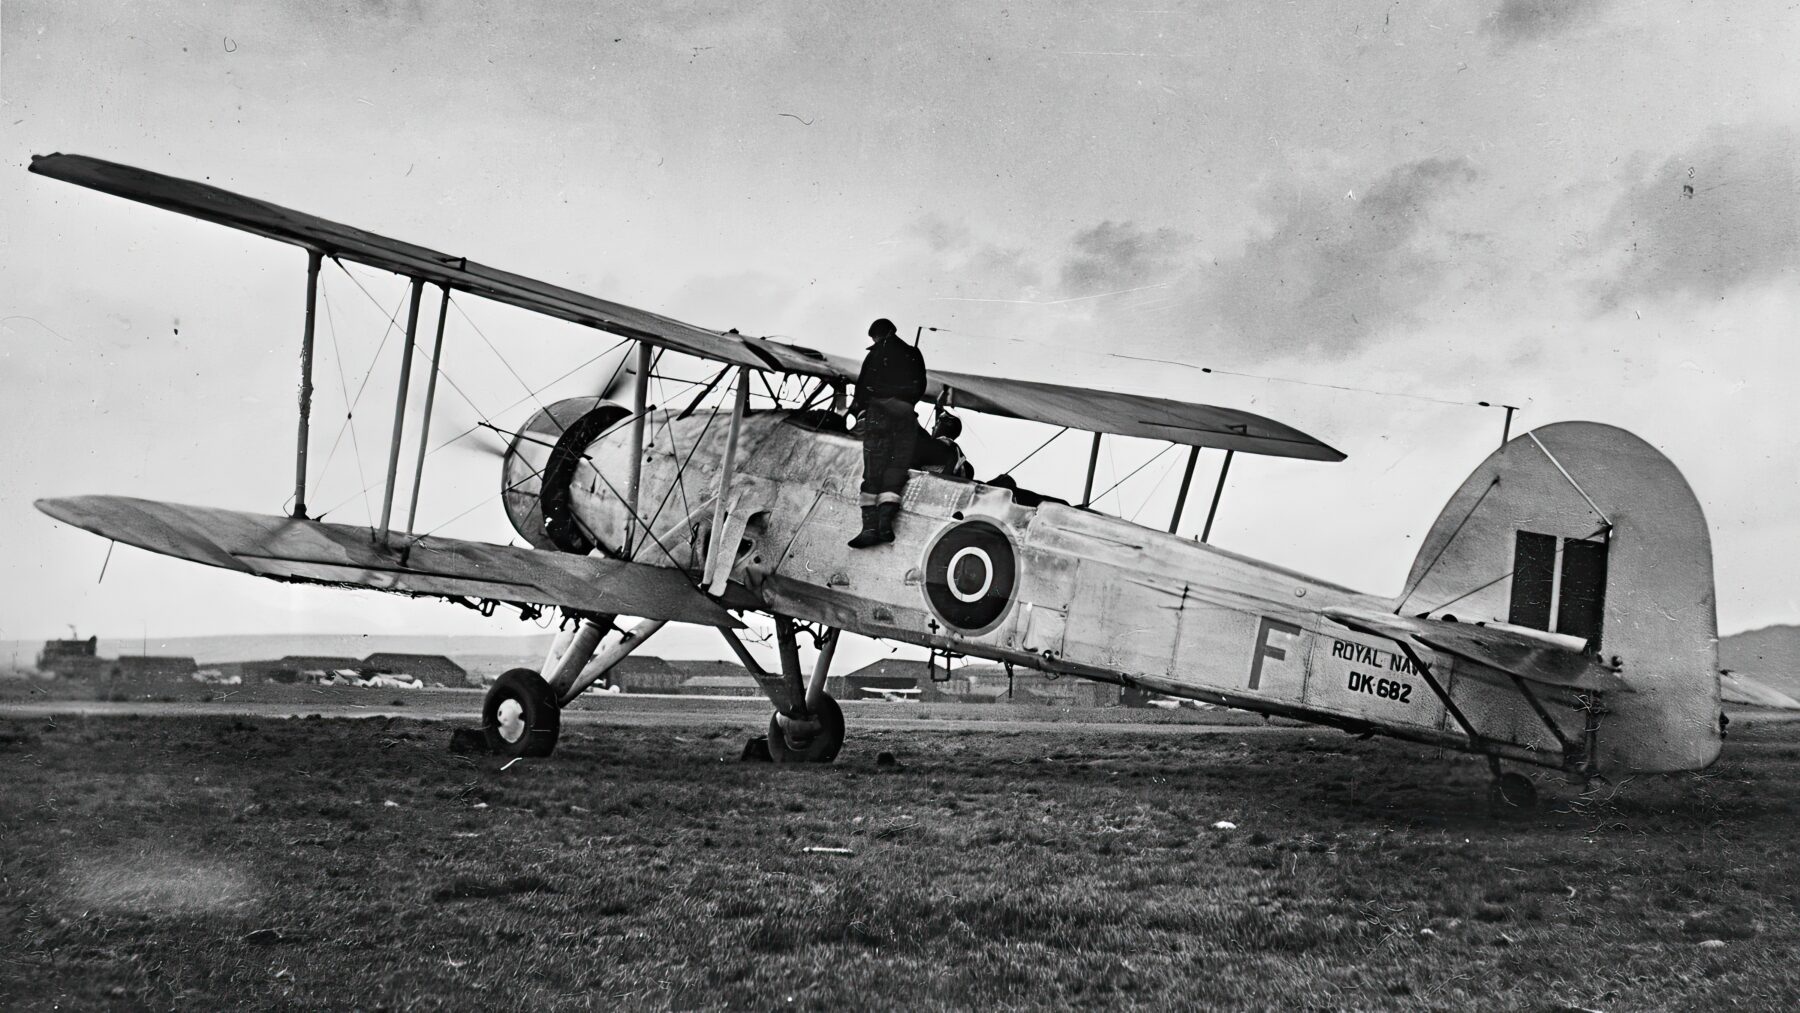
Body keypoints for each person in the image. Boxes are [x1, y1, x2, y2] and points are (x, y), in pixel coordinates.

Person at [847, 318, 926, 548]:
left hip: (879, 418)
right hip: (906, 419)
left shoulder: (875, 354)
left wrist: (861, 410)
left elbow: (862, 388)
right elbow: (919, 386)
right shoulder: (913, 353)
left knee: (873, 474)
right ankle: (885, 523)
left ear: (876, 336)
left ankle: (869, 529)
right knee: (896, 470)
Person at [913, 412, 973, 479]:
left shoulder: (937, 447)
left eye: (937, 423)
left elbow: (917, 433)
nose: (932, 427)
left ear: (948, 424)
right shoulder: (966, 466)